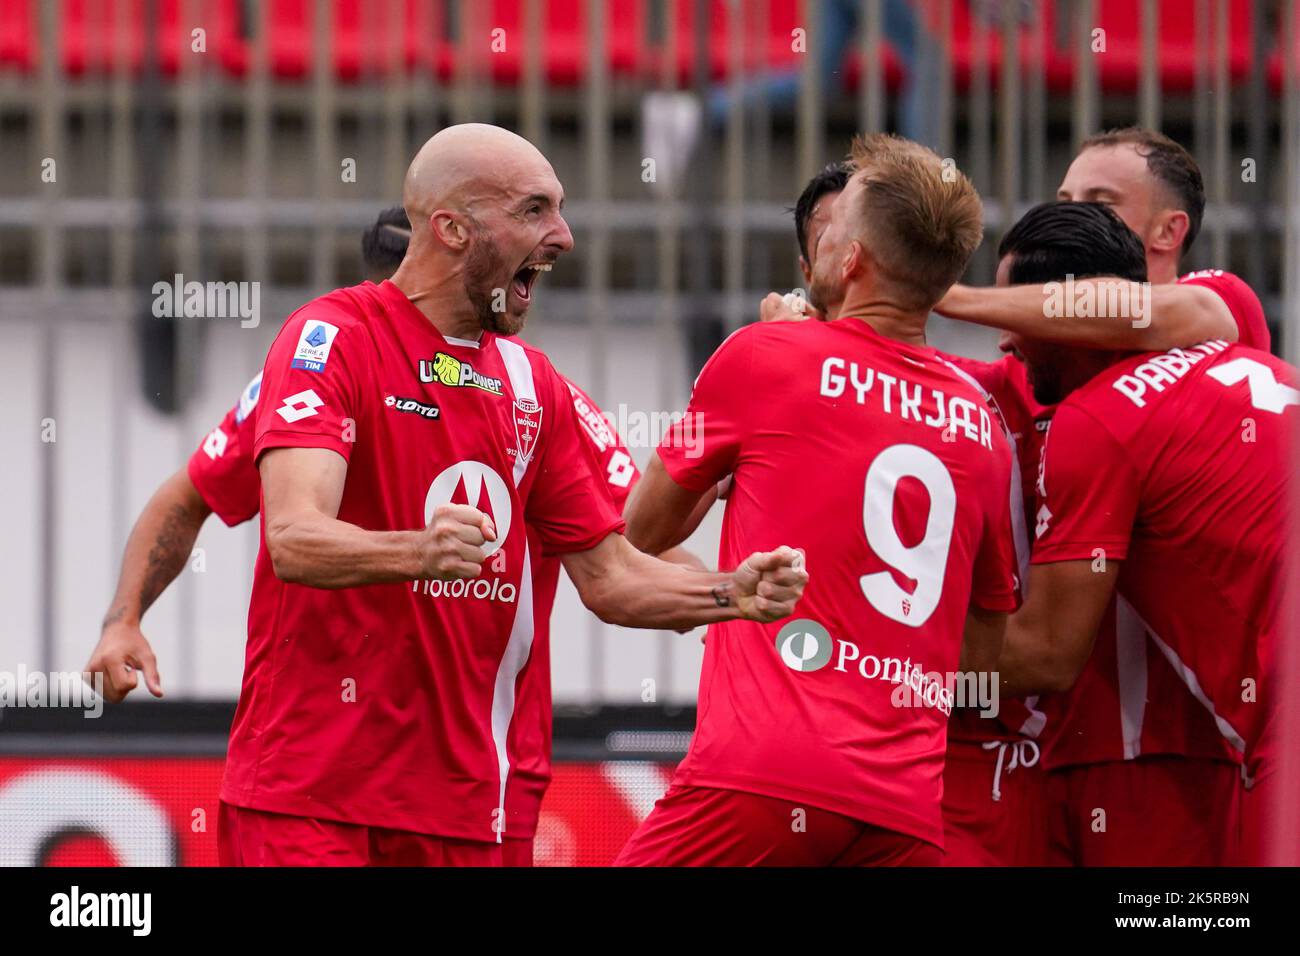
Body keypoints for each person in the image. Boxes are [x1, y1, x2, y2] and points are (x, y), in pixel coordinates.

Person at [217, 123, 807, 866]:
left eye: (558, 210)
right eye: (533, 211)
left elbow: (612, 576)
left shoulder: (534, 385)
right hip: (309, 800)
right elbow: (295, 538)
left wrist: (731, 595)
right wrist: (419, 550)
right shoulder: (331, 338)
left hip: (466, 808)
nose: (562, 236)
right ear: (452, 228)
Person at [614, 133, 1018, 866]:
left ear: (850, 260)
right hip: (905, 811)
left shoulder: (764, 358)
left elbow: (639, 531)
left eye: (835, 228)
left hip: (760, 780)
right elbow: (977, 661)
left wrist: (745, 458)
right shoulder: (984, 422)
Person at [936, 127, 1268, 865]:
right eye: (1064, 199)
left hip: (1169, 748)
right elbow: (924, 382)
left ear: (1168, 230)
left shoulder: (1215, 308)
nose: (1077, 211)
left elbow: (1147, 315)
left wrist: (955, 296)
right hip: (1040, 747)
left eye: (1101, 201)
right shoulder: (1033, 367)